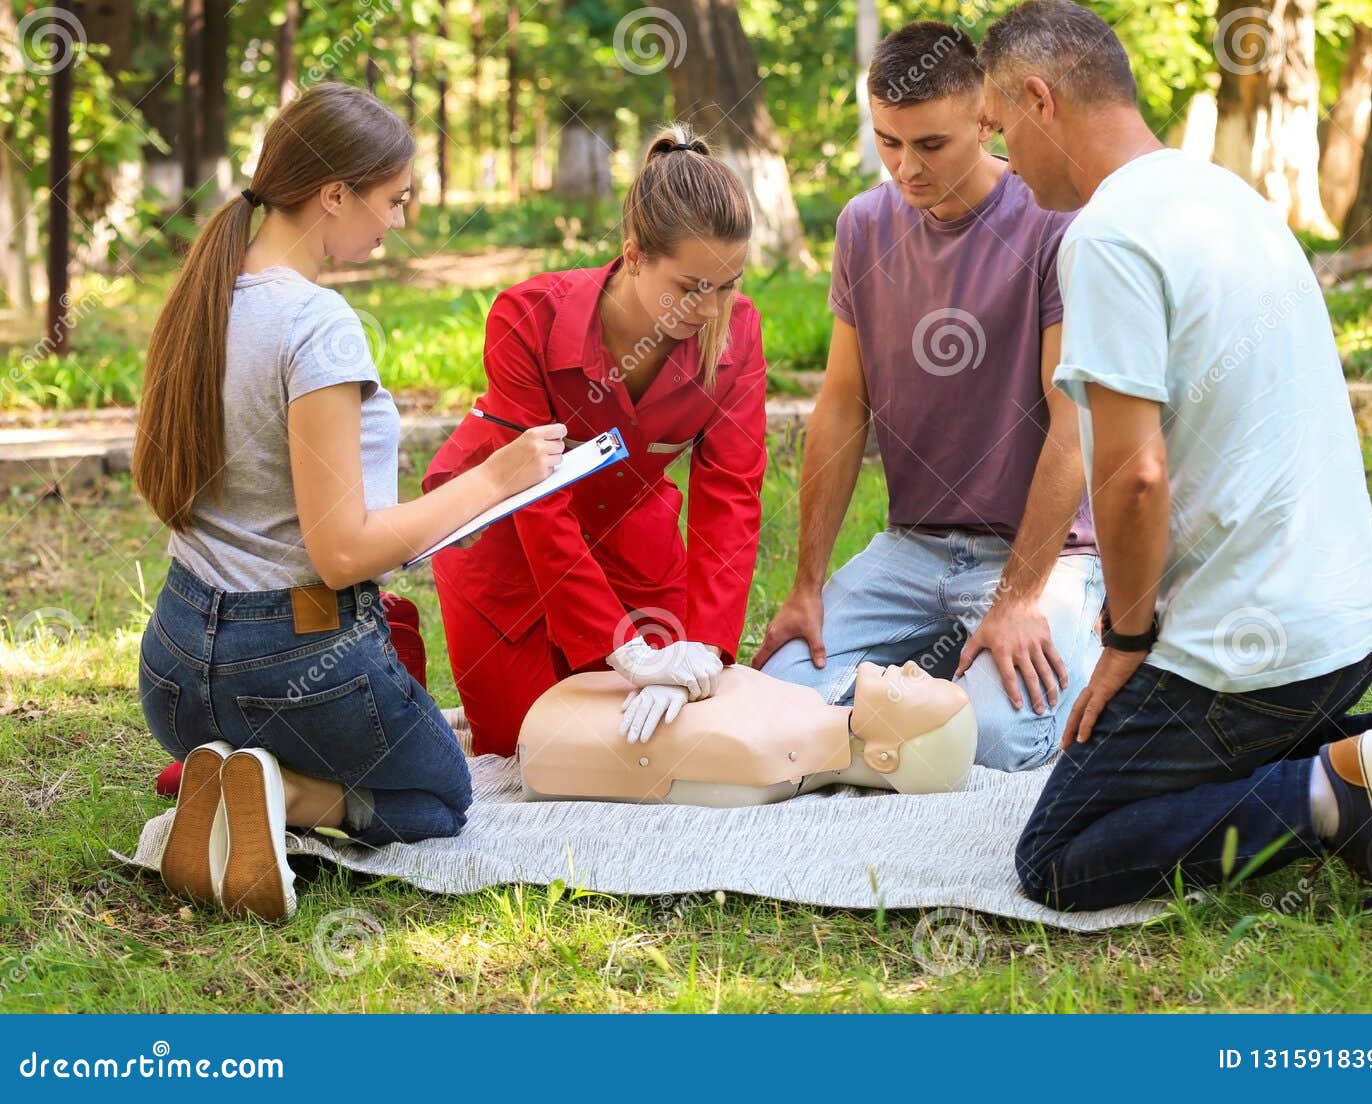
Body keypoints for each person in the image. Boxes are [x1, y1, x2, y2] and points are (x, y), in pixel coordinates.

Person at [978, 0, 1372, 913]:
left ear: (1037, 98)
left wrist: (1126, 642)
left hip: (1249, 658)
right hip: (1347, 632)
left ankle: (1329, 798)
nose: (1001, 158)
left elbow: (1134, 475)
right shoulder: (1224, 196)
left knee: (1058, 854)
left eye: (996, 127)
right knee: (1168, 768)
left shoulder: (1103, 237)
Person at [133, 83, 567, 922]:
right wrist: (497, 478)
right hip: (294, 662)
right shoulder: (317, 323)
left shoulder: (203, 294)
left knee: (352, 738)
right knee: (440, 798)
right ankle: (276, 795)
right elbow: (340, 553)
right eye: (393, 198)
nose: (399, 219)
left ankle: (223, 772)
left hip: (176, 669)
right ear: (334, 193)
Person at [755, 21, 1100, 773]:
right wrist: (807, 587)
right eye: (888, 141)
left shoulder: (1052, 221)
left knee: (1002, 738)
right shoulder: (863, 226)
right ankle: (923, 703)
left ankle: (1036, 662)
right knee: (770, 695)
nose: (905, 168)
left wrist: (1018, 599)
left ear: (986, 115)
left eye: (930, 145)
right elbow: (842, 408)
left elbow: (1072, 428)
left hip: (1043, 557)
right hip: (912, 549)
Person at [422, 126, 768, 758]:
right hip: (505, 535)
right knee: (531, 747)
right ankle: (446, 724)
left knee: (663, 741)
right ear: (634, 255)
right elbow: (535, 498)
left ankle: (447, 721)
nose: (712, 307)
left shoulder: (739, 332)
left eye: (728, 283)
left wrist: (708, 651)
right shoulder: (527, 316)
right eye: (692, 285)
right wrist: (623, 647)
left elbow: (732, 496)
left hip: (630, 532)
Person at [518, 661, 976, 805]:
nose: (917, 667)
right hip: (568, 694)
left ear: (883, 758)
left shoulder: (761, 760)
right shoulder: (802, 708)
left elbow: (639, 756)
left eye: (922, 688)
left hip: (548, 731)